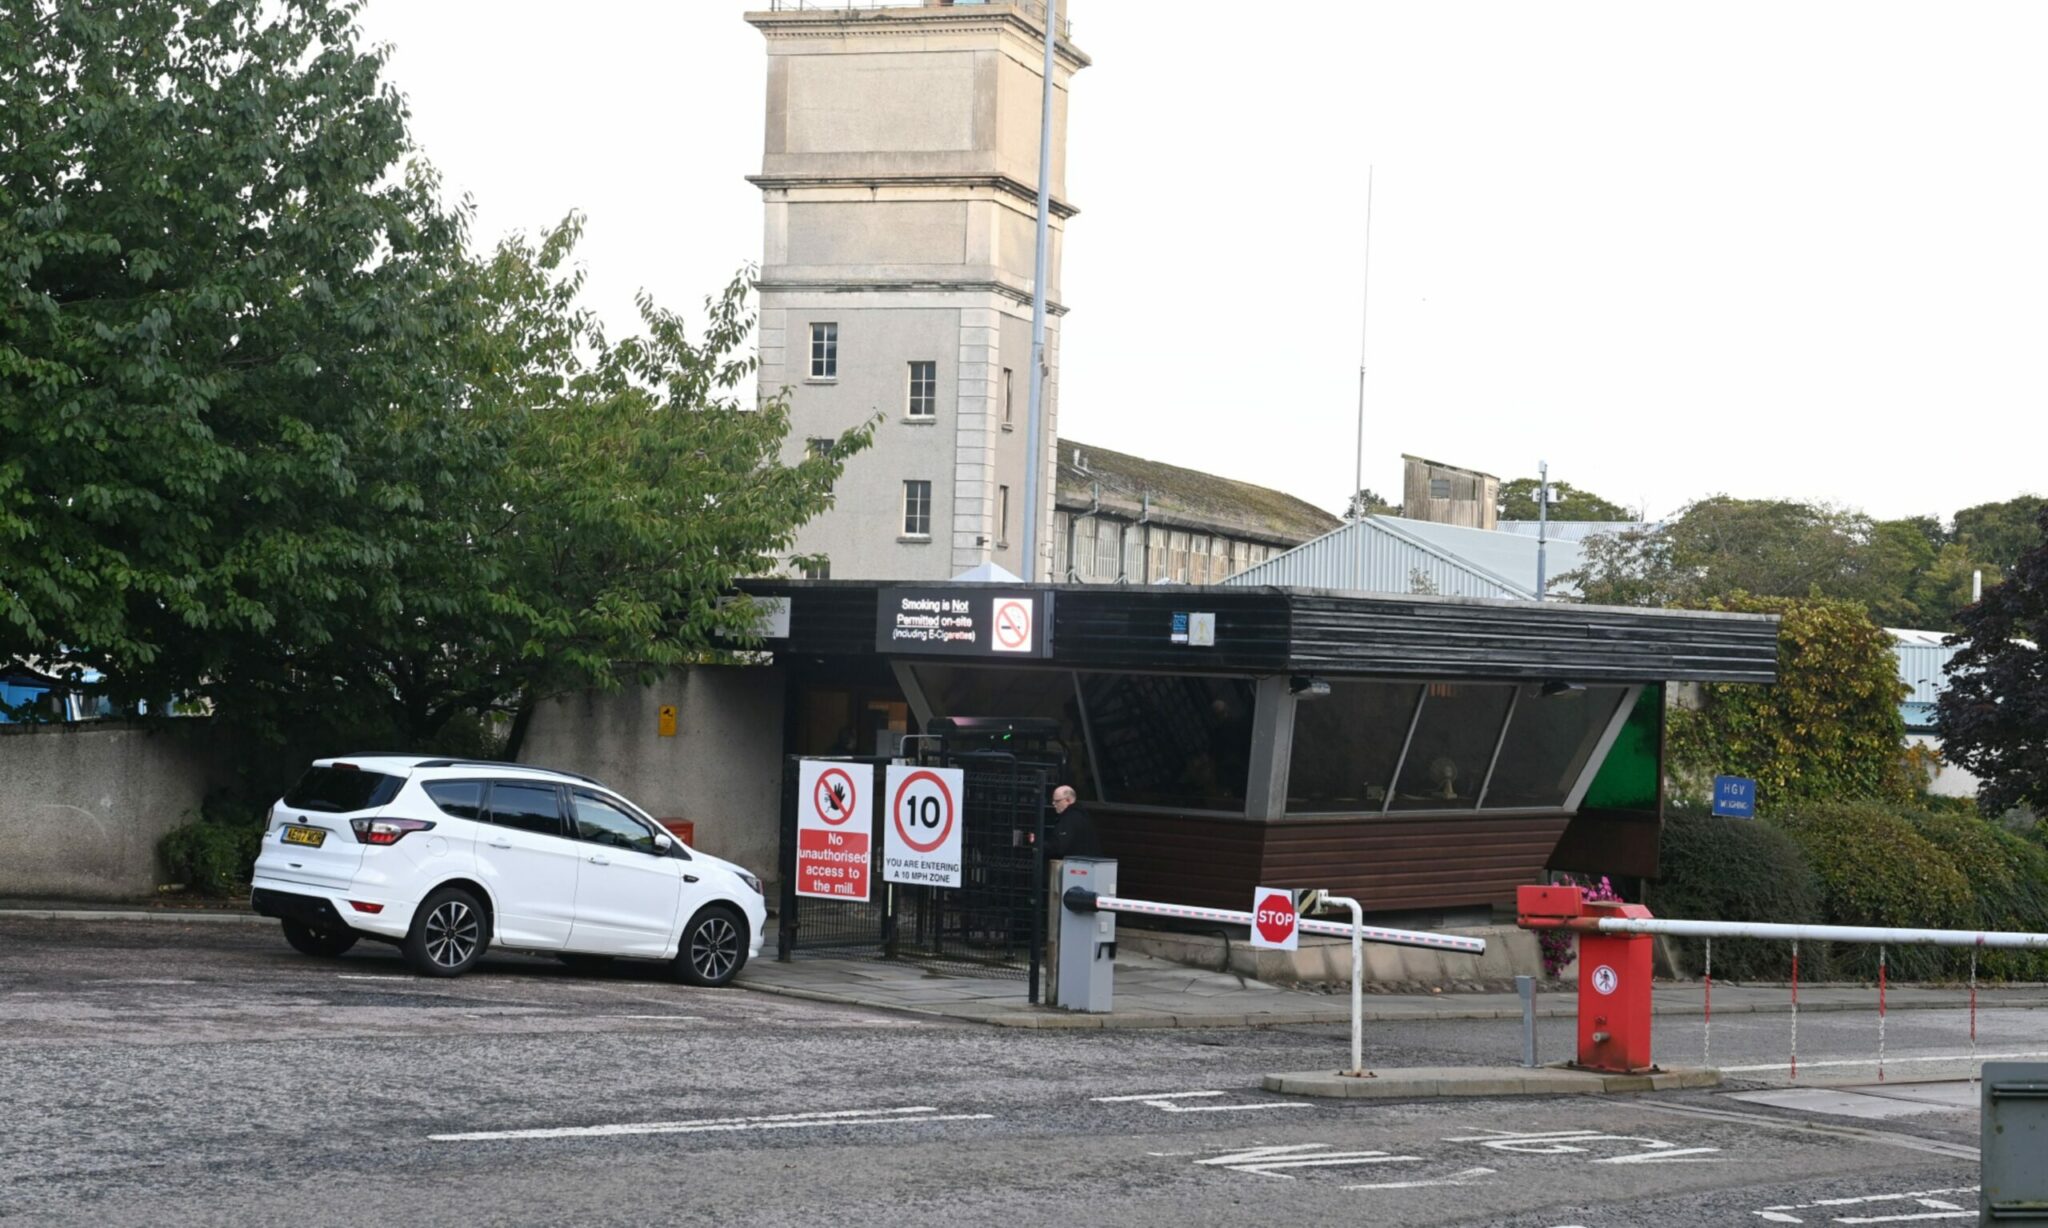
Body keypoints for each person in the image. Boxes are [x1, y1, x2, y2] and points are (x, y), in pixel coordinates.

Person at [1045, 784, 1102, 862]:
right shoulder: (1082, 815)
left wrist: (1040, 845)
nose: (1053, 804)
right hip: (1084, 865)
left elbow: (1059, 848)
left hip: (1073, 867)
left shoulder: (1069, 819)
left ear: (1068, 800)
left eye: (1057, 801)